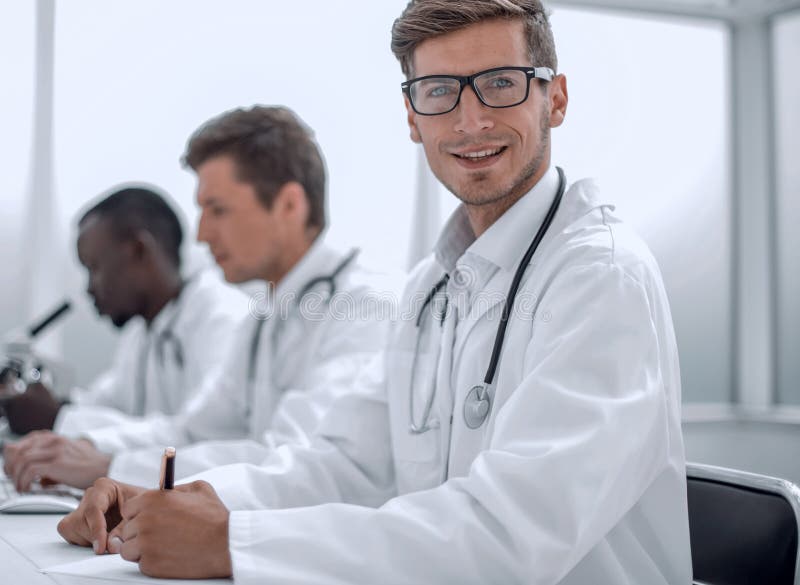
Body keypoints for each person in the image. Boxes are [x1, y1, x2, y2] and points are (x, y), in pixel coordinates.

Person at [56, 2, 692, 583]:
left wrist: (234, 542)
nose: (470, 121)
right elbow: (345, 464)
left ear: (554, 99)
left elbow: (509, 535)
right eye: (439, 91)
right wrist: (164, 502)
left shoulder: (601, 278)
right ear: (413, 119)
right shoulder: (431, 288)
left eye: (501, 83)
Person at [4, 105, 394, 493]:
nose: (202, 234)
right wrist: (86, 448)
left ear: (289, 205)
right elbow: (193, 431)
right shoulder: (265, 318)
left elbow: (291, 461)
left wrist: (110, 465)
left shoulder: (365, 309)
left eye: (217, 210)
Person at [0, 185, 247, 439]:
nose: (89, 288)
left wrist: (60, 420)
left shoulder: (223, 320)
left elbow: (197, 437)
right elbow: (104, 405)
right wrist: (46, 406)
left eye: (94, 267)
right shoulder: (143, 334)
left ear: (139, 250)